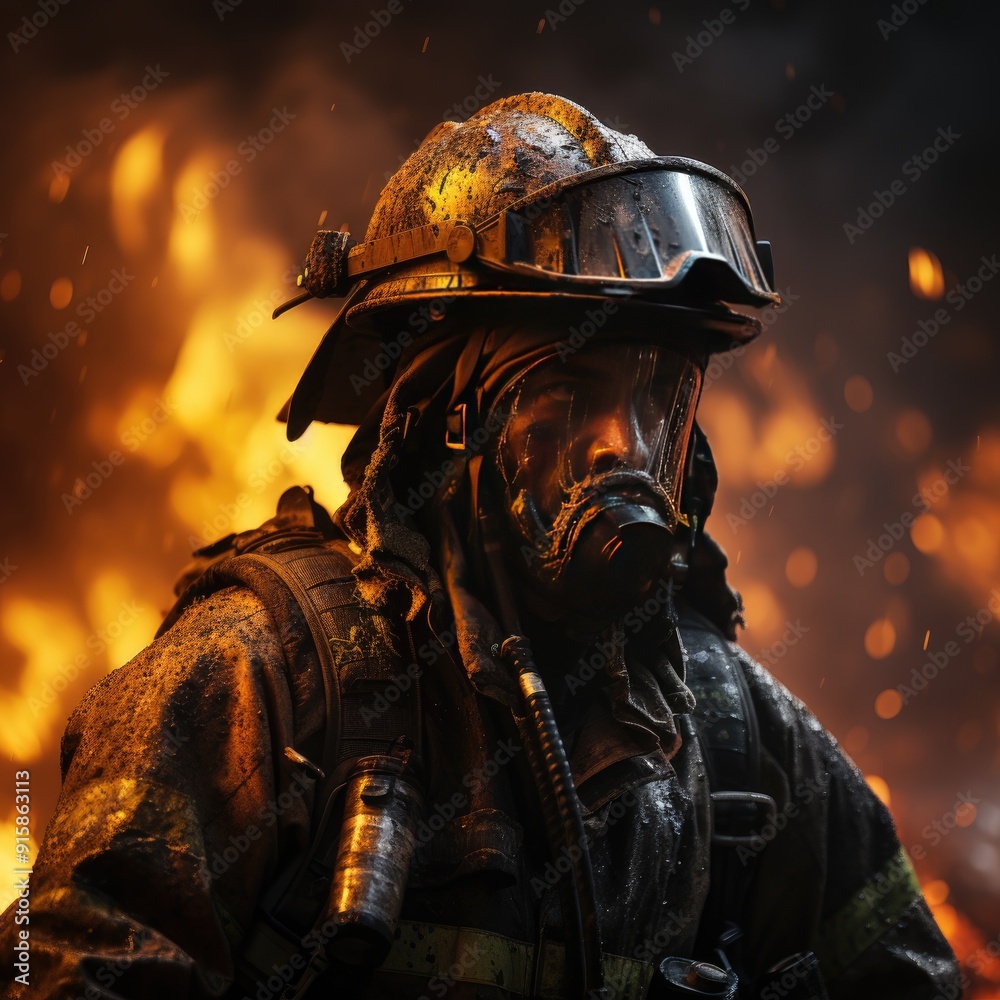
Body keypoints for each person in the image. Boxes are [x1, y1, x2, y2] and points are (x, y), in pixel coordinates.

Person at [1, 93, 960, 1000]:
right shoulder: (262, 687)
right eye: (573, 391)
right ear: (440, 423)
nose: (623, 444)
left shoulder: (732, 737)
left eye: (657, 397)